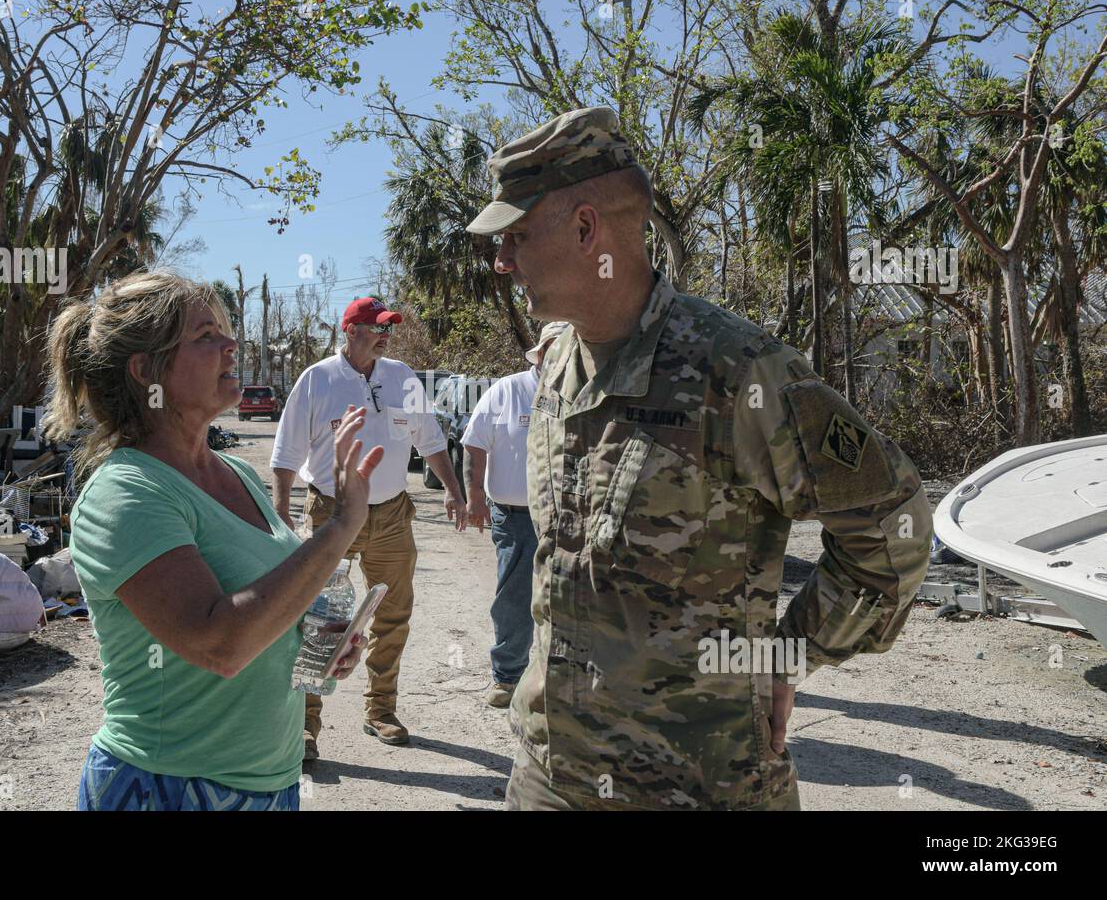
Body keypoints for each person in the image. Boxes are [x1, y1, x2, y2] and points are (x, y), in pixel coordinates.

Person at [466, 107, 933, 811]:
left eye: (518, 236)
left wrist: (791, 653)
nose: (502, 260)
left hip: (696, 786)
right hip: (550, 773)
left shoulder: (736, 370)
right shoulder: (556, 361)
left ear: (586, 229)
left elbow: (891, 519)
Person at [45, 272, 377, 811]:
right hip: (168, 787)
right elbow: (220, 645)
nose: (231, 346)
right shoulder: (127, 492)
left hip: (270, 784)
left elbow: (272, 605)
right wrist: (341, 525)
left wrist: (316, 643)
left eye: (226, 332)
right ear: (146, 370)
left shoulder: (235, 474)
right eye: (205, 336)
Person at [271, 296, 468, 760]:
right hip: (330, 512)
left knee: (393, 613)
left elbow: (432, 440)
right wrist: (280, 514)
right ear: (350, 331)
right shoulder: (317, 379)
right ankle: (306, 723)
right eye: (378, 327)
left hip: (392, 513)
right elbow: (285, 456)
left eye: (389, 329)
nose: (386, 336)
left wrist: (454, 491)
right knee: (320, 616)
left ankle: (381, 710)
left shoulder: (401, 377)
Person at [461, 321, 567, 707]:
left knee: (566, 594)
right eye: (551, 348)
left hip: (568, 515)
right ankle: (507, 676)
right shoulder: (507, 391)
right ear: (538, 353)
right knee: (515, 594)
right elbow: (474, 445)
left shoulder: (585, 391)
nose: (558, 356)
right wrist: (473, 496)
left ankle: (556, 675)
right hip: (516, 515)